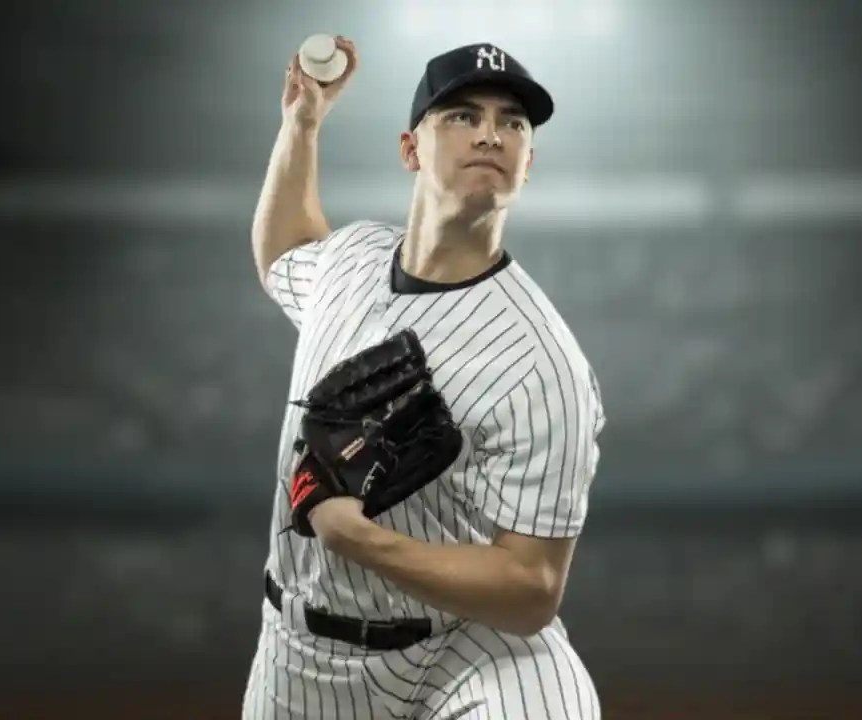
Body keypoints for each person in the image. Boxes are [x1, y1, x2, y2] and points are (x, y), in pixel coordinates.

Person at [243, 36, 606, 719]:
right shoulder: (349, 259)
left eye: (513, 123)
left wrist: (357, 537)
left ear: (528, 164)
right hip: (298, 659)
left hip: (463, 648)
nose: (491, 134)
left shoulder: (544, 363)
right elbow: (283, 250)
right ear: (411, 149)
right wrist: (302, 123)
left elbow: (531, 589)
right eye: (463, 116)